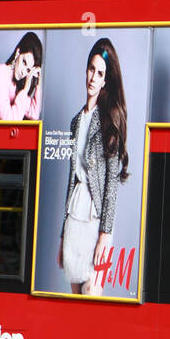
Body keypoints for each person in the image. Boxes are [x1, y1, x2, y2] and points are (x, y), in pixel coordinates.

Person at [59, 38, 130, 295]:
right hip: (74, 217)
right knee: (75, 296)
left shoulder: (110, 119)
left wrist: (106, 233)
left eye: (100, 73)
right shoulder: (75, 122)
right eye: (91, 68)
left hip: (96, 219)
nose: (92, 77)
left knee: (92, 294)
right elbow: (71, 178)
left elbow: (111, 182)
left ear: (105, 81)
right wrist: (61, 235)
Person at [0, 32, 43, 121]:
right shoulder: (0, 72)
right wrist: (25, 90)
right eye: (24, 62)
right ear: (18, 52)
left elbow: (34, 114)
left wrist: (38, 84)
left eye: (28, 70)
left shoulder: (18, 85)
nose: (23, 72)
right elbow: (8, 120)